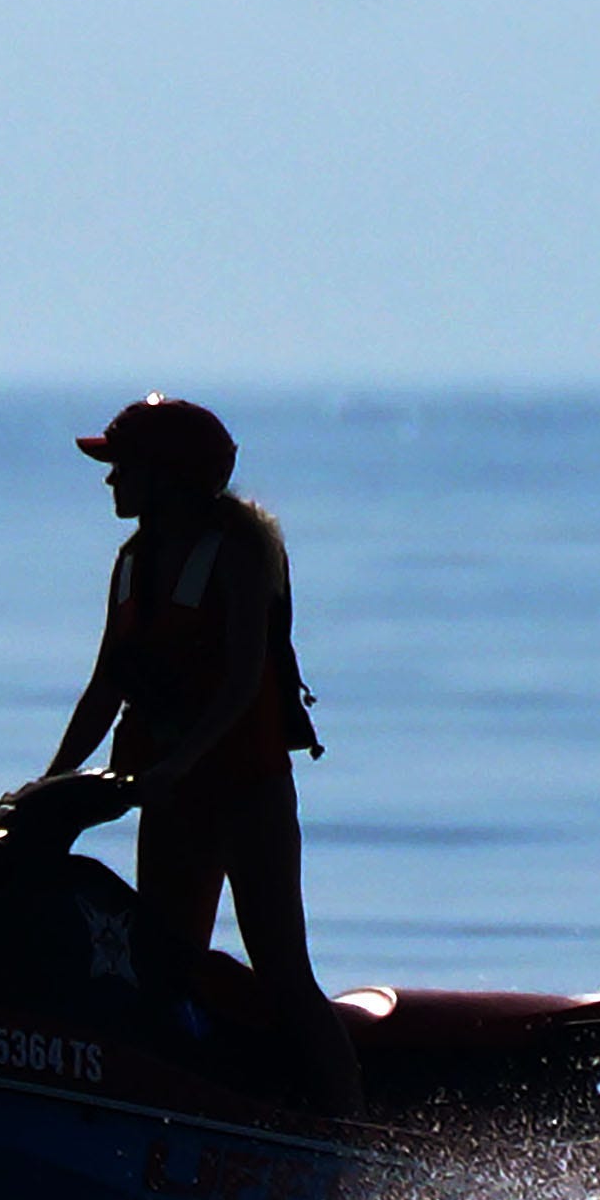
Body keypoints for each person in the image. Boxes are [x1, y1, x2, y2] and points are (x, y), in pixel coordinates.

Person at [33, 396, 361, 1115]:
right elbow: (104, 687)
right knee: (164, 968)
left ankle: (352, 1134)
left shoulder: (238, 550)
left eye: (123, 469)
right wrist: (50, 780)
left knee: (282, 971)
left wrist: (184, 760)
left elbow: (246, 679)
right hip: (169, 796)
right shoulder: (132, 562)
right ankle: (184, 1110)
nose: (110, 483)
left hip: (246, 790)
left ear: (172, 475)